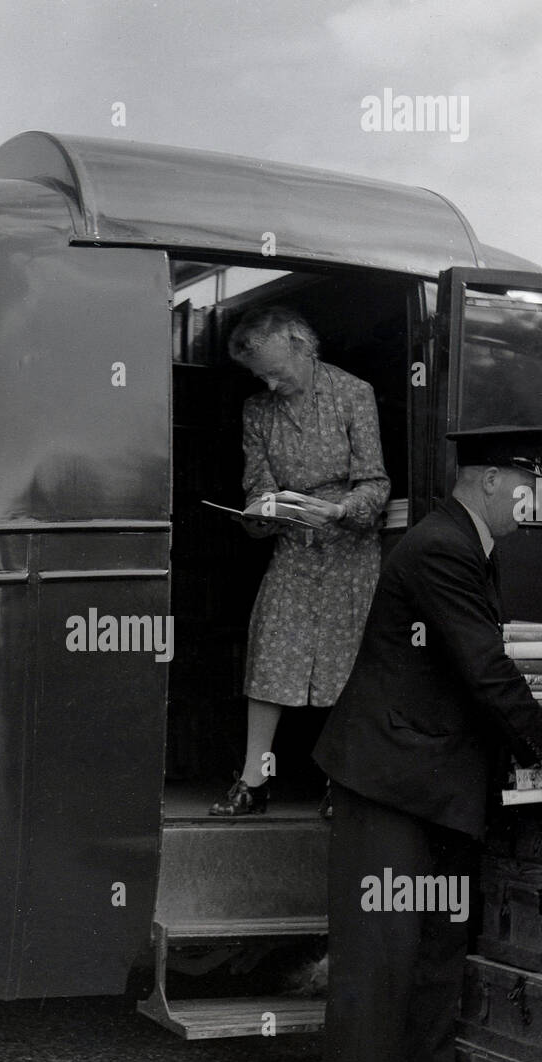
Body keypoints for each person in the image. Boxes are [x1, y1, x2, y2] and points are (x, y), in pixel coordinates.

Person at [311, 425, 542, 1062]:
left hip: (438, 776)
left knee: (441, 939)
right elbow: (484, 666)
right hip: (388, 773)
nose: (535, 500)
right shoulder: (443, 546)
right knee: (379, 942)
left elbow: (475, 667)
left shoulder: (468, 545)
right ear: (490, 480)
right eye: (529, 484)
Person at [209, 307, 390, 818]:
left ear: (303, 349)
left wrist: (340, 510)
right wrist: (259, 513)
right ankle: (253, 783)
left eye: (275, 370)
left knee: (345, 665)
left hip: (349, 550)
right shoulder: (257, 411)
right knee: (270, 655)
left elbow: (375, 482)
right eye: (258, 374)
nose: (267, 381)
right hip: (293, 546)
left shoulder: (354, 393)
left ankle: (342, 786)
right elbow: (258, 485)